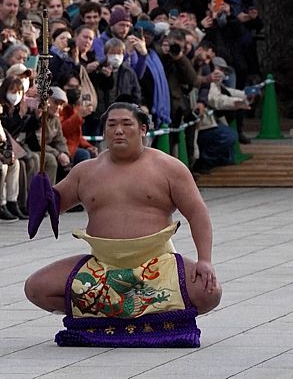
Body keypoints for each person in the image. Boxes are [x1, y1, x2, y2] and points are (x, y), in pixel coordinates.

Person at [23, 102, 221, 347]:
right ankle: (114, 317)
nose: (118, 130)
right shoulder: (85, 171)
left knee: (209, 292)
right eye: (112, 125)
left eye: (127, 124)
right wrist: (41, 190)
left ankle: (117, 315)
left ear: (143, 130)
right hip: (102, 266)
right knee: (36, 288)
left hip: (157, 264)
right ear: (104, 132)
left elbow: (197, 213)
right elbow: (53, 205)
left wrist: (204, 260)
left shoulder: (170, 168)